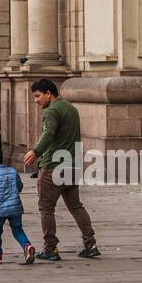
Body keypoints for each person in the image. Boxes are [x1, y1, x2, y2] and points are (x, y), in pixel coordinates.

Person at [24, 78, 100, 261]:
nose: (36, 100)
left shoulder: (52, 111)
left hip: (53, 167)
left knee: (46, 209)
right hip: (72, 165)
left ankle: (51, 248)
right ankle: (90, 244)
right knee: (76, 206)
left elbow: (48, 134)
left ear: (48, 94)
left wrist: (35, 151)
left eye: (38, 96)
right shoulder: (71, 109)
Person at [0, 149, 35, 265]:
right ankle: (27, 246)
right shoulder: (12, 171)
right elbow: (19, 187)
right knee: (18, 230)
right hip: (15, 207)